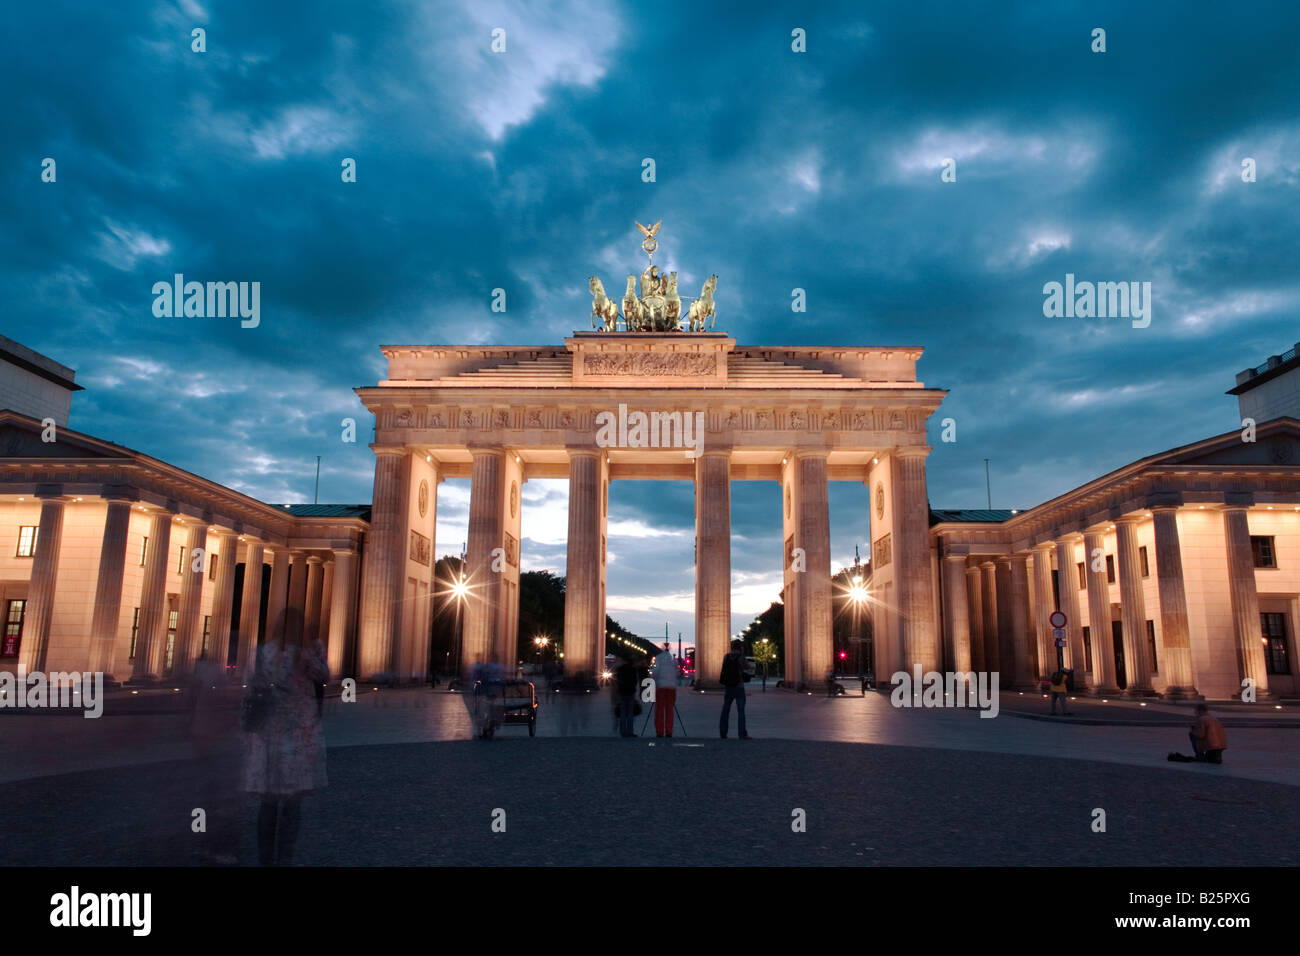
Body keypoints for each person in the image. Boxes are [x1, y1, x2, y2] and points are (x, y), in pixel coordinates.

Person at [243, 606, 329, 866]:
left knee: (268, 804)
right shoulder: (303, 655)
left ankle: (265, 859)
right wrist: (315, 643)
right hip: (296, 739)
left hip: (267, 738)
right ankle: (284, 858)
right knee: (291, 805)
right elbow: (324, 675)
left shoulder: (262, 652)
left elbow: (251, 690)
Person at [719, 640, 750, 739]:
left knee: (725, 710)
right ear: (740, 647)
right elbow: (747, 667)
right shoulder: (741, 657)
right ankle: (742, 734)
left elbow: (723, 669)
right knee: (741, 711)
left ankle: (723, 733)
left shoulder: (726, 656)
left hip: (728, 687)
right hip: (739, 687)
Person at [652, 642, 678, 737]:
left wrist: (653, 679)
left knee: (659, 710)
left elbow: (655, 672)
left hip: (661, 687)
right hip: (671, 687)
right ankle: (669, 731)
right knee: (669, 710)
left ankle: (659, 731)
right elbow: (677, 673)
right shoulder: (673, 660)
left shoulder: (658, 658)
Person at [614, 656, 638, 737]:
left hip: (622, 692)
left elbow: (616, 681)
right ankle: (630, 731)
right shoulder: (633, 669)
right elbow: (635, 681)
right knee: (630, 713)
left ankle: (623, 732)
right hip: (631, 692)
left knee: (623, 713)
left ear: (623, 660)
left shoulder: (619, 669)